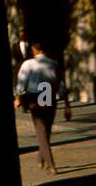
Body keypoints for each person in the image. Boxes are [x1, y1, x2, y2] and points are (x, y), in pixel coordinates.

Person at [15, 41, 71, 174]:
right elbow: (61, 85)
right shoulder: (53, 64)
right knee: (47, 130)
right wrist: (66, 104)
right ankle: (41, 157)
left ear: (34, 49)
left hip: (36, 98)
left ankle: (51, 164)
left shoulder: (28, 64)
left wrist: (18, 97)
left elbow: (21, 83)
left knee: (41, 131)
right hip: (49, 95)